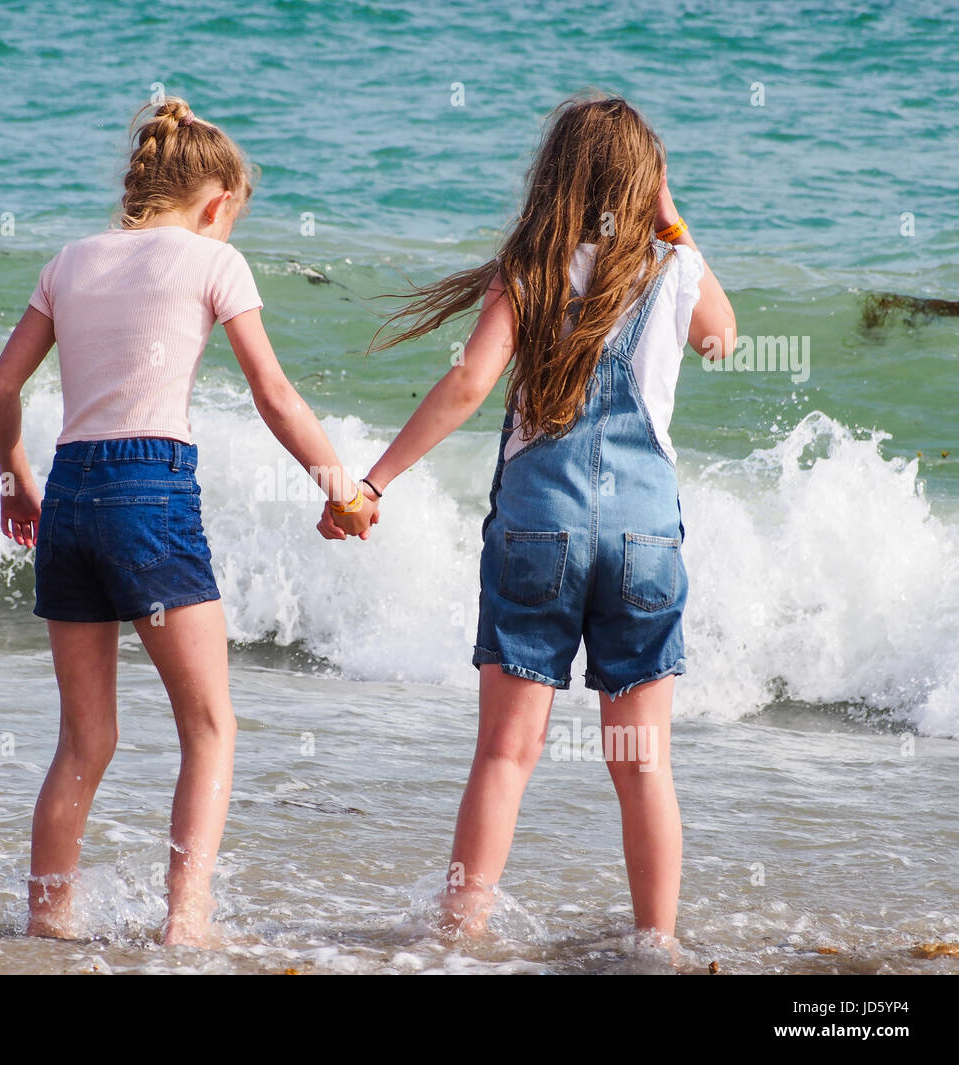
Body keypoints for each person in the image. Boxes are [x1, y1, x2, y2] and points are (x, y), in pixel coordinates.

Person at [320, 95, 735, 942]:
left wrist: (374, 481)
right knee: (643, 764)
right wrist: (676, 222)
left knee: (506, 755)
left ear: (556, 178)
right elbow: (722, 338)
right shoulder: (672, 267)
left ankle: (459, 937)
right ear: (648, 184)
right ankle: (657, 944)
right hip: (644, 539)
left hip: (536, 528)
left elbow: (470, 383)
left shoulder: (532, 268)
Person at [0, 97, 377, 946]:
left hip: (72, 495)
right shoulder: (211, 262)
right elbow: (275, 396)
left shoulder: (70, 260)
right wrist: (341, 485)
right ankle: (185, 924)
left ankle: (46, 925)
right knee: (210, 726)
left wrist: (17, 482)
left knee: (84, 738)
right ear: (216, 205)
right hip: (151, 494)